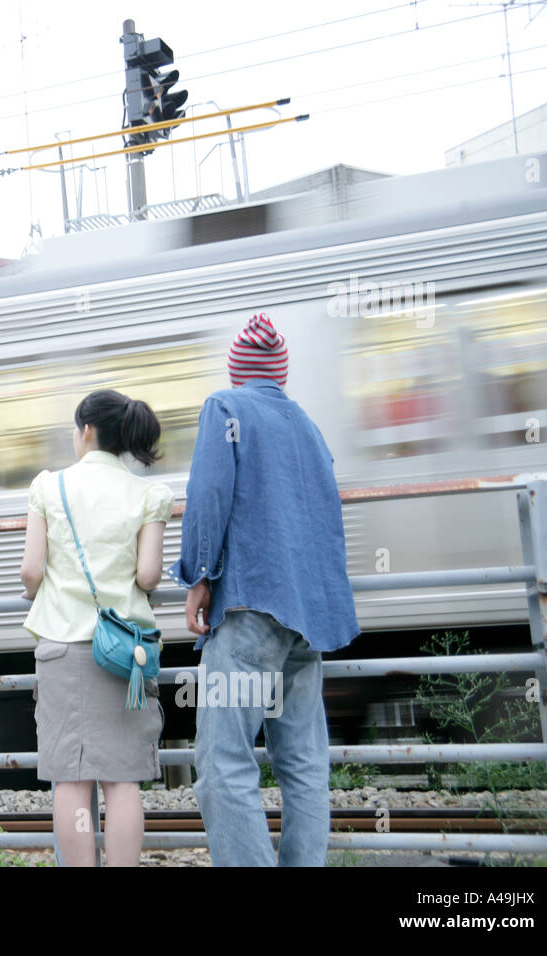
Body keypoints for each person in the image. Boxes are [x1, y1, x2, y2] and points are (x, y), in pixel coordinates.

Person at [170, 312, 360, 867]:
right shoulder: (306, 424)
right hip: (308, 620)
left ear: (236, 371)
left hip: (251, 610)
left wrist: (198, 576)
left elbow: (208, 497)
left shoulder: (225, 408)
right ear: (280, 373)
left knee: (225, 761)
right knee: (303, 762)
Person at [19, 389, 172, 867]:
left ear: (86, 430)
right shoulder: (149, 494)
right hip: (126, 654)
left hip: (63, 647)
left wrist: (40, 591)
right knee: (123, 780)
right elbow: (148, 576)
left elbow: (30, 570)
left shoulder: (49, 487)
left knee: (71, 779)